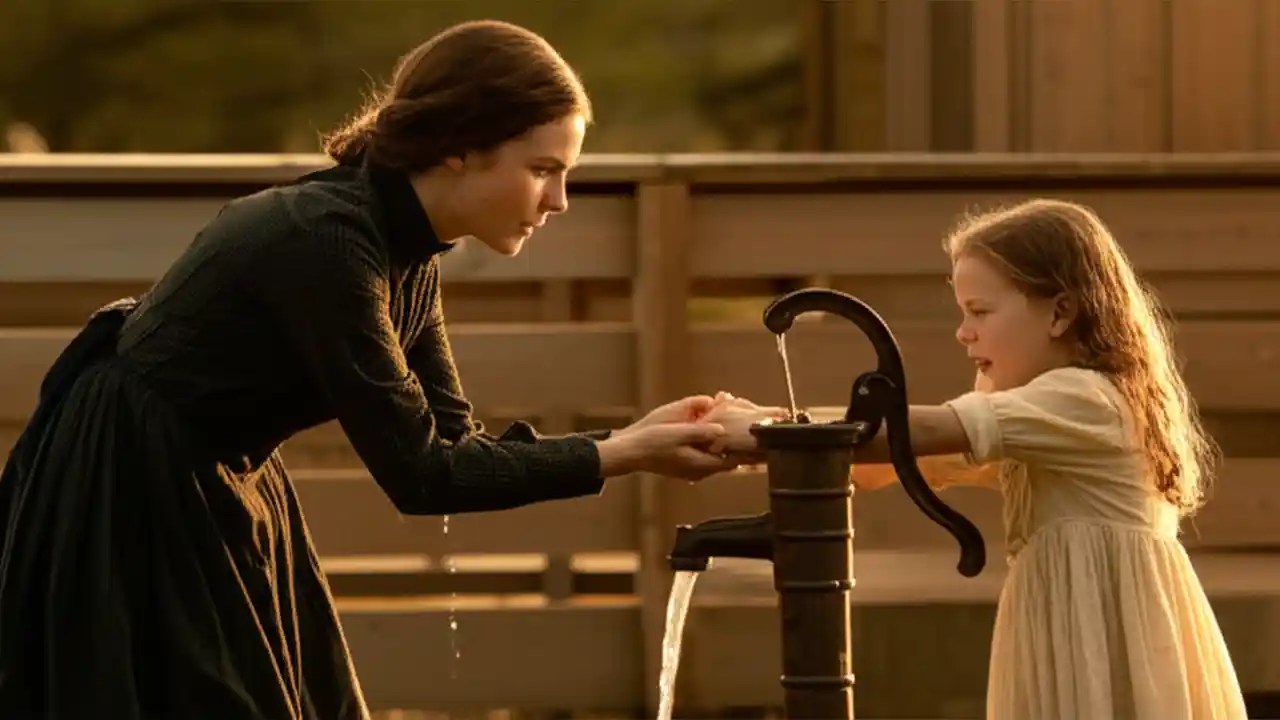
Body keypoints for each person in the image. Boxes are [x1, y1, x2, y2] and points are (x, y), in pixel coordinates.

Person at [0, 20, 782, 720]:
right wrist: (630, 452)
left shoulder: (404, 256)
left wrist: (631, 437)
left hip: (220, 480)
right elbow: (422, 477)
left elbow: (456, 449)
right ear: (461, 148)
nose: (561, 200)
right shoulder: (327, 240)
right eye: (544, 168)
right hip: (132, 483)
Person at [718, 198, 1247, 719]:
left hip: (1104, 644)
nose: (963, 332)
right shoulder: (1037, 419)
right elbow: (883, 462)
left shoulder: (1084, 399)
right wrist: (759, 427)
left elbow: (915, 431)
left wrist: (761, 432)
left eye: (980, 311)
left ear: (1060, 312)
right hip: (1069, 638)